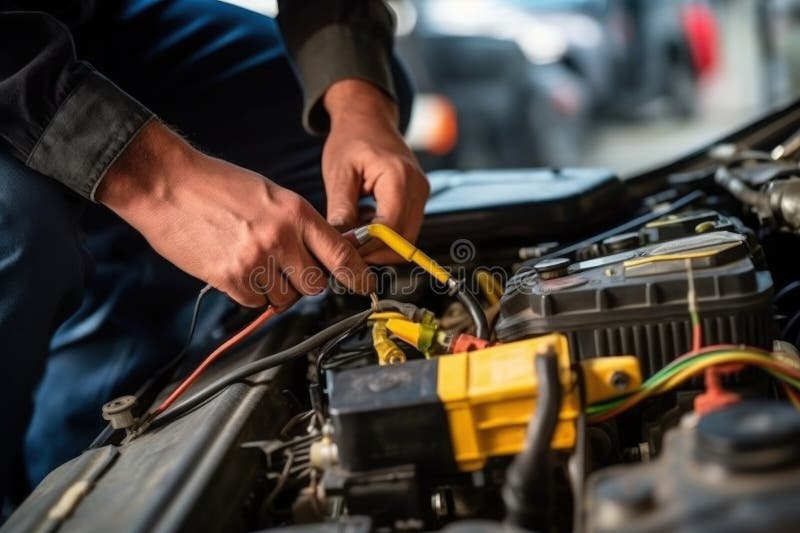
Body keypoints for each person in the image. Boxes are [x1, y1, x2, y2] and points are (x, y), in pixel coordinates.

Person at [0, 0, 430, 509]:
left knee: (344, 87)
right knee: (24, 230)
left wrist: (359, 105)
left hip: (75, 22)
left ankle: (105, 383)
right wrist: (155, 181)